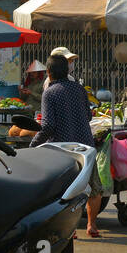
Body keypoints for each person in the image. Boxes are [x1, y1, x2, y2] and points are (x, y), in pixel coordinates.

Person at [31, 54, 103, 238]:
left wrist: (34, 144)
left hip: (62, 151)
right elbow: (88, 116)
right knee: (94, 188)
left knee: (65, 191)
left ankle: (70, 230)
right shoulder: (79, 89)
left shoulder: (49, 92)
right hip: (85, 147)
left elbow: (48, 126)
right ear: (67, 71)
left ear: (48, 72)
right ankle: (91, 226)